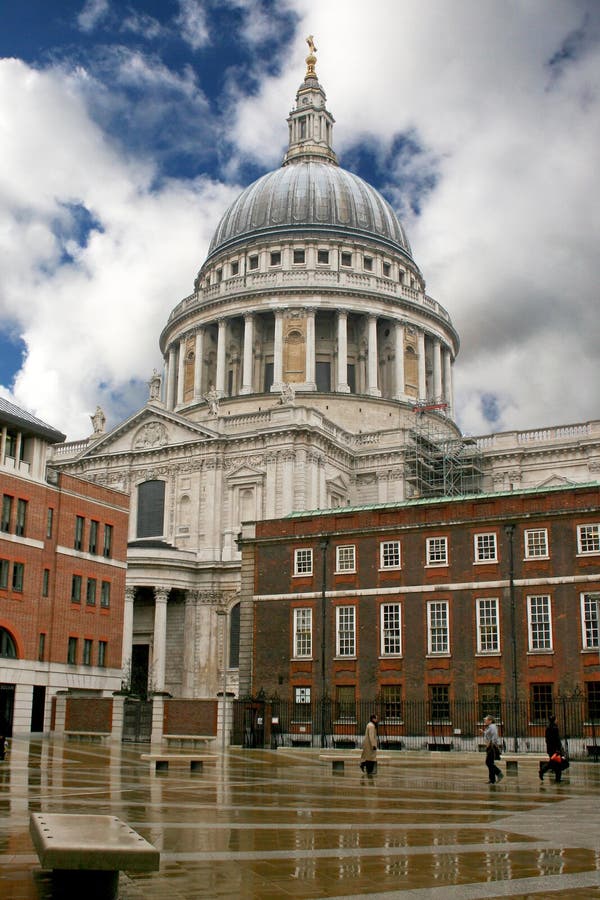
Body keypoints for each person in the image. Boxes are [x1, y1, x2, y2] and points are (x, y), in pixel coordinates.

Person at [539, 715, 565, 782]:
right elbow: (557, 739)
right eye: (556, 719)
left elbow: (547, 739)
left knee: (554, 763)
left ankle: (543, 772)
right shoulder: (555, 728)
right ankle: (556, 778)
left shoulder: (548, 728)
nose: (557, 720)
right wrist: (559, 748)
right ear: (554, 720)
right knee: (556, 763)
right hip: (555, 749)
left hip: (550, 749)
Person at [482, 715, 504, 784]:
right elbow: (488, 734)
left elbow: (494, 736)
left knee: (488, 762)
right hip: (490, 745)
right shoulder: (490, 727)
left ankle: (499, 773)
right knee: (490, 762)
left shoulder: (492, 727)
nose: (485, 721)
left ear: (490, 721)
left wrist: (491, 743)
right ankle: (492, 780)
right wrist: (483, 732)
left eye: (486, 720)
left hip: (492, 746)